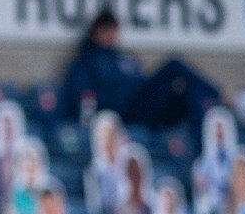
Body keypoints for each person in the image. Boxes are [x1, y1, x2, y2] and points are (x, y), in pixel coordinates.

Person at [61, 7, 222, 130]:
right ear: (97, 32)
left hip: (143, 107)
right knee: (173, 65)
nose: (112, 35)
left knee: (189, 93)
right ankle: (220, 94)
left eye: (114, 30)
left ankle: (203, 147)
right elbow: (85, 99)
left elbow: (142, 81)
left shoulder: (125, 57)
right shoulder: (87, 61)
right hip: (122, 113)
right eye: (107, 30)